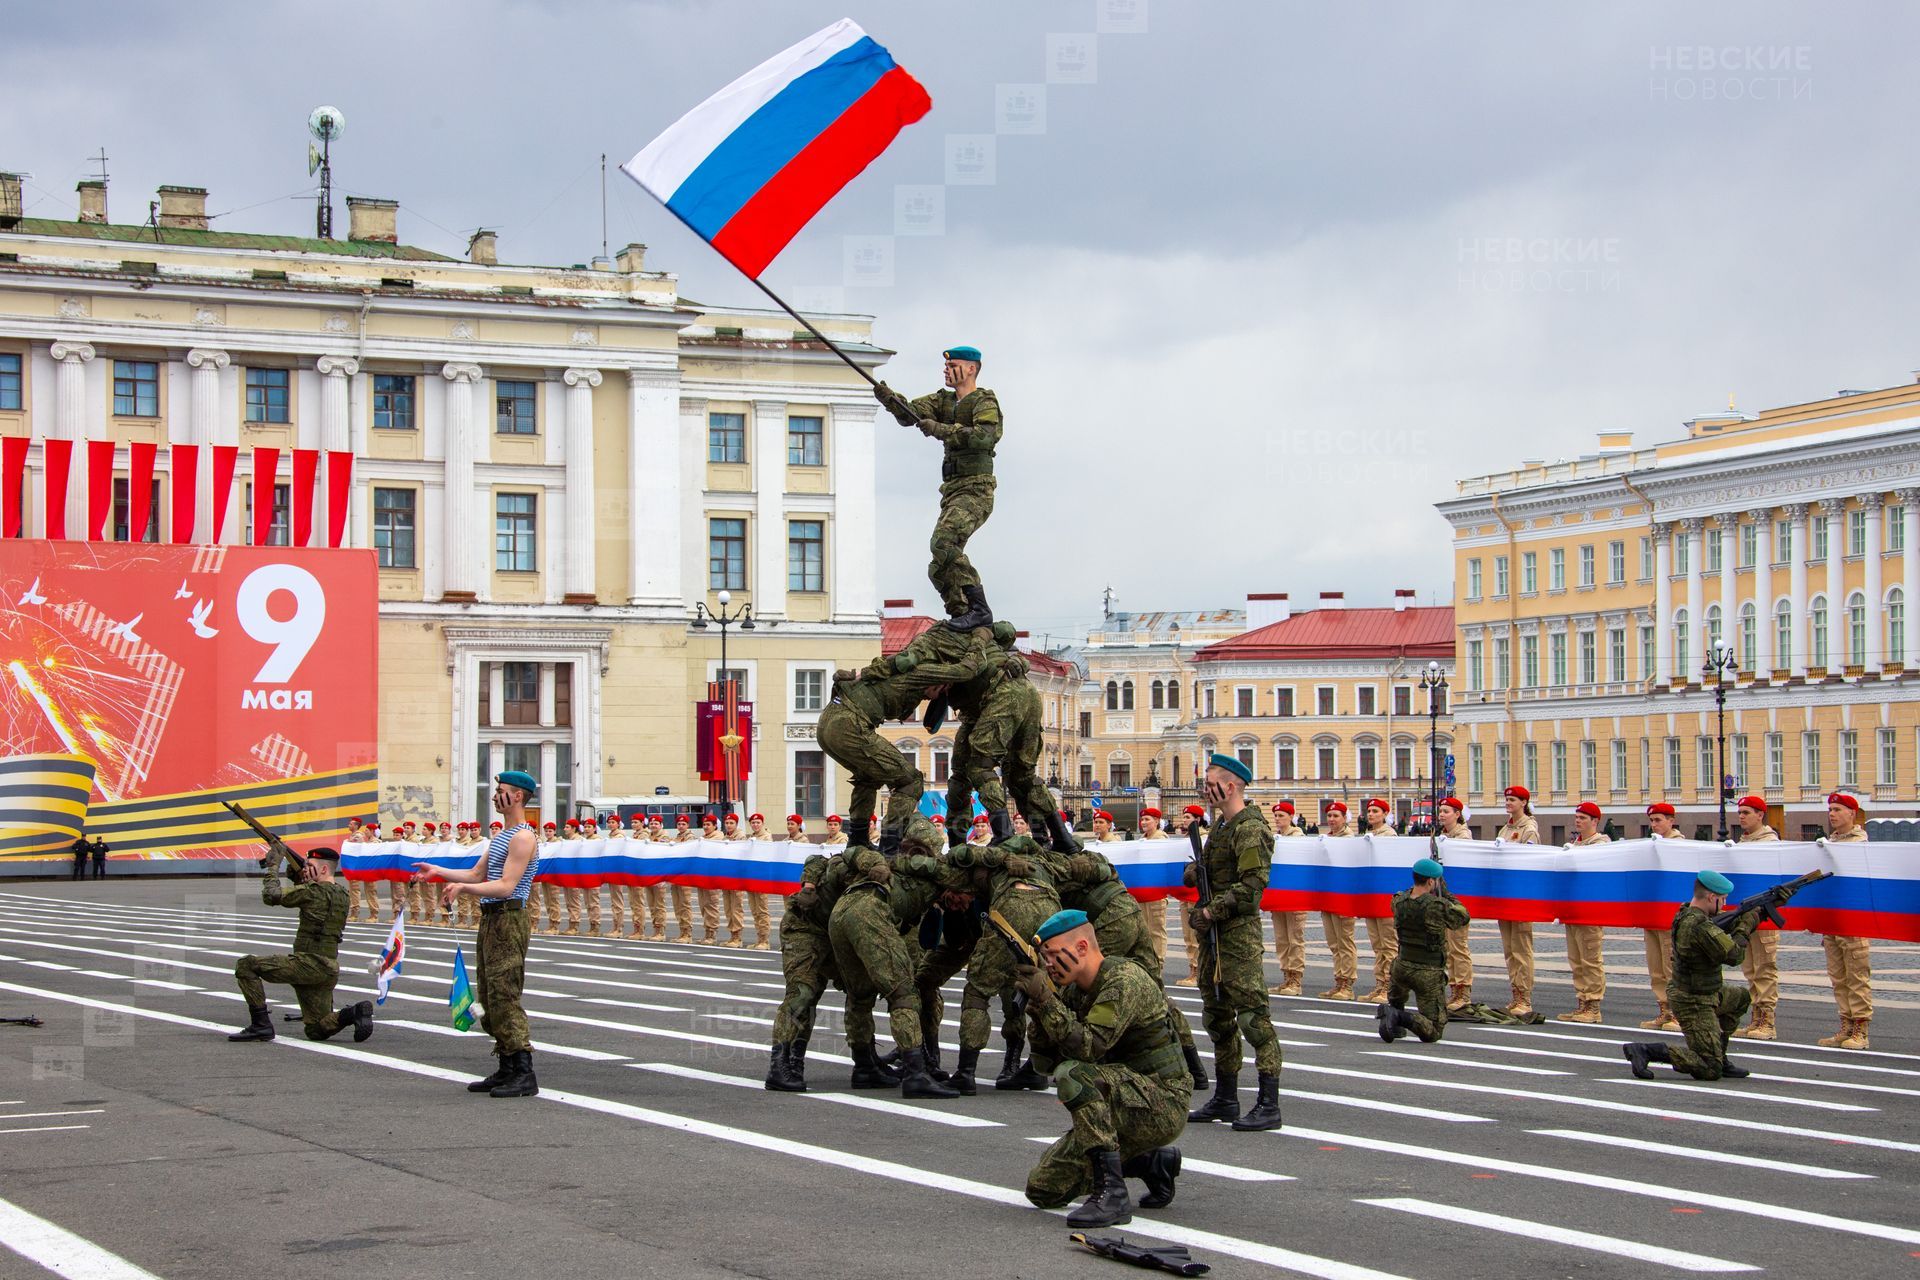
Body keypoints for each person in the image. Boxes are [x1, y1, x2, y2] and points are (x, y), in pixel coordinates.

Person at [1019, 909, 1190, 1229]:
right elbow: (1045, 1066)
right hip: (1122, 1099)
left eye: (1053, 955)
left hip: (1162, 1101)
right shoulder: (1071, 992)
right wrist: (1039, 1011)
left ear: (1081, 947)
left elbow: (1087, 1049)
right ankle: (1152, 1162)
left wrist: (1047, 1002)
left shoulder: (1124, 980)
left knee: (1074, 1074)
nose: (1049, 965)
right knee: (1043, 1189)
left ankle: (1112, 1194)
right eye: (1045, 958)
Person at [414, 769, 542, 1098]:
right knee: (487, 994)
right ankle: (506, 1065)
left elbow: (506, 885)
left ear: (517, 796)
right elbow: (474, 873)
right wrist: (439, 872)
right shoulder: (502, 836)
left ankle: (523, 1070)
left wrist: (462, 890)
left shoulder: (523, 837)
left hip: (509, 917)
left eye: (501, 790)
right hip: (491, 919)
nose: (495, 795)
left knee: (504, 994)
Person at [826, 817, 959, 1098]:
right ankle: (915, 1074)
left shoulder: (887, 861)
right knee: (903, 995)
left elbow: (846, 854)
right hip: (871, 914)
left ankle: (863, 1067)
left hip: (842, 912)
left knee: (859, 995)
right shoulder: (939, 871)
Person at [1184, 753, 1283, 1132]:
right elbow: (1216, 872)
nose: (1205, 791)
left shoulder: (1250, 828)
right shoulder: (1222, 828)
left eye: (1209, 784)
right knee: (1217, 1016)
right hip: (1214, 939)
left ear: (1229, 786)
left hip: (1236, 936)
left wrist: (1211, 912)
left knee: (1253, 1018)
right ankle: (1226, 1095)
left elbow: (1252, 888)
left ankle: (1268, 1102)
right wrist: (1196, 872)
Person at [875, 345, 1002, 631]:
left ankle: (979, 610)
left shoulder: (984, 401)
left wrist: (940, 429)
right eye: (945, 366)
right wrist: (889, 399)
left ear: (971, 368)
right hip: (953, 490)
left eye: (952, 365)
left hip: (976, 489)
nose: (946, 370)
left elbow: (984, 437)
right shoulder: (944, 401)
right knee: (939, 565)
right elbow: (910, 414)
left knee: (944, 543)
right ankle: (962, 614)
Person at [227, 846, 373, 1045]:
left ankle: (260, 1024)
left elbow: (271, 896)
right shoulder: (342, 894)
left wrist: (272, 867)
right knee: (316, 1029)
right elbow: (307, 896)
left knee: (246, 965)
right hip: (328, 967)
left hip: (307, 963)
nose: (306, 869)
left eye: (310, 866)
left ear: (323, 870)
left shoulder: (313, 892)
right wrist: (296, 875)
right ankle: (352, 1013)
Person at [1621, 869, 1756, 1083]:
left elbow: (1717, 927)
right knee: (1709, 1069)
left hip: (1706, 991)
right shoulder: (1699, 925)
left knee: (1740, 997)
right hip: (1693, 1001)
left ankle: (1720, 1055)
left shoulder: (1686, 912)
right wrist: (1745, 926)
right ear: (1711, 897)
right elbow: (1734, 956)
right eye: (1722, 899)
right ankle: (1647, 1051)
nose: (1725, 904)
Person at [766, 844, 844, 1092]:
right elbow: (816, 859)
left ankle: (795, 1062)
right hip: (802, 928)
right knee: (802, 993)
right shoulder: (852, 864)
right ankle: (778, 1067)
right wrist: (809, 886)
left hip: (829, 934)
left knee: (812, 998)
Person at [1377, 858, 1471, 1045]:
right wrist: (1446, 894)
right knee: (1433, 1031)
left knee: (1398, 995)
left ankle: (1394, 1022)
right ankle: (1398, 1017)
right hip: (1427, 970)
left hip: (1401, 966)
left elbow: (1409, 897)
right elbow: (1462, 917)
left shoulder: (1398, 900)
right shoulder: (1436, 905)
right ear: (1431, 881)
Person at [1819, 793, 1872, 1050]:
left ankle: (1860, 1029)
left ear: (1852, 813)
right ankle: (1845, 1025)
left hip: (1853, 920)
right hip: (1833, 918)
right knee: (1838, 977)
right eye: (1830, 809)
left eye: (1838, 809)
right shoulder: (1830, 842)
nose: (1832, 814)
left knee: (1856, 976)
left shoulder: (1858, 841)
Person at [1730, 796, 1780, 1041]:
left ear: (1761, 815)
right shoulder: (1742, 843)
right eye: (1740, 812)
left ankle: (1767, 1021)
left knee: (1764, 968)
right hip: (1745, 915)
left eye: (1747, 812)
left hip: (1763, 916)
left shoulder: (1769, 843)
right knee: (1750, 969)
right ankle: (1756, 1018)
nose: (1741, 817)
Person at [1558, 801, 1611, 1024]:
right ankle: (1581, 1001)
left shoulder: (1601, 844)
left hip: (1590, 909)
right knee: (1576, 958)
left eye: (1583, 818)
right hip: (1573, 908)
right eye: (1577, 817)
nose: (1578, 821)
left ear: (1595, 822)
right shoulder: (1575, 844)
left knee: (1590, 958)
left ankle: (1593, 1005)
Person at [1494, 786, 1540, 1015]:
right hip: (1505, 895)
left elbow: (1529, 861)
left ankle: (1525, 997)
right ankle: (1515, 994)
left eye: (1512, 799)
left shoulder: (1528, 829)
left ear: (1524, 802)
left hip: (1520, 896)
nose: (1508, 803)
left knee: (1521, 949)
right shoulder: (1506, 828)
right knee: (1510, 950)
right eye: (1507, 799)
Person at [1639, 803, 1683, 1033]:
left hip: (1670, 916)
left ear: (1671, 820)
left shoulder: (1679, 845)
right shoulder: (1650, 845)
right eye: (1652, 820)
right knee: (1656, 966)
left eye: (1658, 820)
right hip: (1652, 913)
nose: (1654, 825)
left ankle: (1677, 1013)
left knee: (1671, 965)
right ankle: (1664, 1009)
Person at [1358, 798, 1401, 1003]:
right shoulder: (1369, 835)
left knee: (1388, 944)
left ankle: (1390, 986)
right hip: (1371, 894)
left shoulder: (1389, 835)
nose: (1371, 814)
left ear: (1385, 814)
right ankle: (1379, 983)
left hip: (1385, 895)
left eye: (1376, 811)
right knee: (1377, 944)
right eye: (1369, 811)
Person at [1433, 798, 1475, 1010]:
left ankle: (1463, 991)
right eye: (1440, 811)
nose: (1441, 814)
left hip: (1457, 900)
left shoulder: (1462, 836)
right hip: (1444, 898)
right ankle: (1454, 989)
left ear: (1457, 814)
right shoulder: (1443, 836)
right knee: (1449, 946)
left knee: (1458, 946)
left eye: (1446, 811)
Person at [1317, 800, 1360, 1000]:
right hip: (1328, 895)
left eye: (1336, 816)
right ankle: (1339, 980)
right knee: (1334, 942)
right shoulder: (1327, 838)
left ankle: (1347, 983)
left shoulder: (1349, 839)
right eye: (1330, 816)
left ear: (1344, 819)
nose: (1332, 820)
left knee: (1345, 942)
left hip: (1343, 896)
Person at [1266, 802, 1309, 998]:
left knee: (1295, 939)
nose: (1277, 819)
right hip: (1279, 896)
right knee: (1282, 939)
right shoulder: (1276, 838)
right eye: (1275, 816)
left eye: (1281, 815)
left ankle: (1296, 979)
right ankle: (1286, 976)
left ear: (1291, 817)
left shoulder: (1298, 838)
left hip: (1294, 896)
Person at [1169, 805, 1207, 988]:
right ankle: (1193, 969)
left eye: (1187, 817)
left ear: (1198, 819)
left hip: (1198, 894)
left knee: (1196, 935)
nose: (1183, 820)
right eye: (1183, 816)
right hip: (1185, 893)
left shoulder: (1204, 839)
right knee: (1188, 935)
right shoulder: (1184, 840)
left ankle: (1199, 971)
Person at [1137, 807, 1175, 967]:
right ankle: (1148, 962)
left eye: (1148, 819)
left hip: (1156, 892)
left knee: (1157, 930)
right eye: (1143, 819)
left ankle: (1158, 963)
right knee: (1144, 931)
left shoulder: (1161, 838)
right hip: (1144, 891)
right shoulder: (1142, 839)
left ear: (1157, 821)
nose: (1144, 822)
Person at [743, 813, 775, 949]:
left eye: (758, 822)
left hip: (761, 877)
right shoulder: (751, 838)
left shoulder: (766, 837)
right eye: (753, 823)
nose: (755, 825)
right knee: (754, 909)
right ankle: (759, 938)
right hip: (751, 876)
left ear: (762, 823)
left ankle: (764, 940)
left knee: (762, 909)